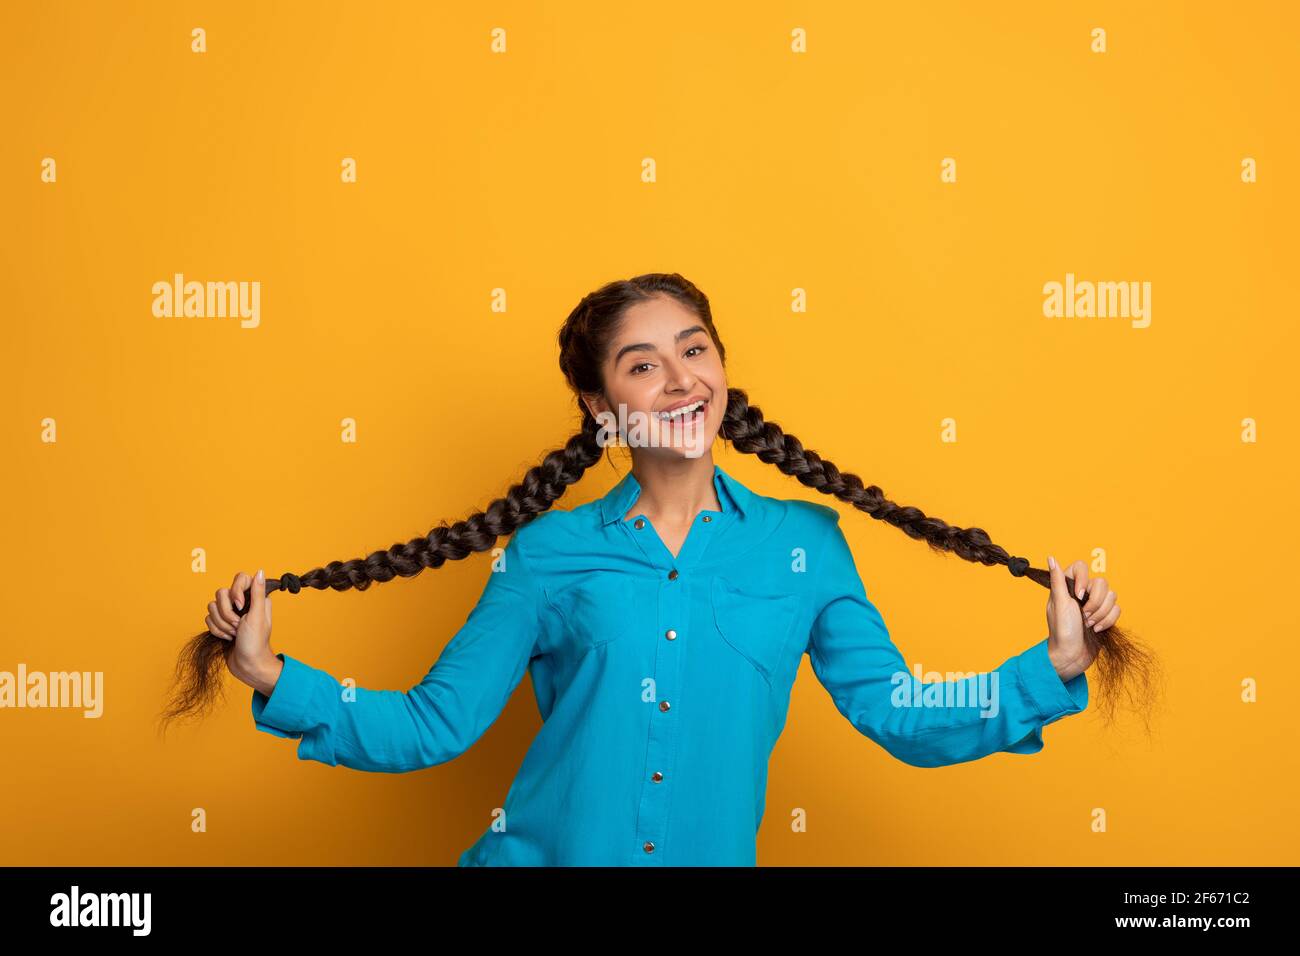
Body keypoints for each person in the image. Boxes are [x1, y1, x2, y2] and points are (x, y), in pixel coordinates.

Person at [178, 272, 1144, 866]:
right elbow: (434, 723)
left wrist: (1052, 667)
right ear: (603, 409)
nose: (681, 379)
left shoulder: (805, 547)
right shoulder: (547, 554)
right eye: (642, 365)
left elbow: (898, 711)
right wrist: (269, 677)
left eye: (695, 349)